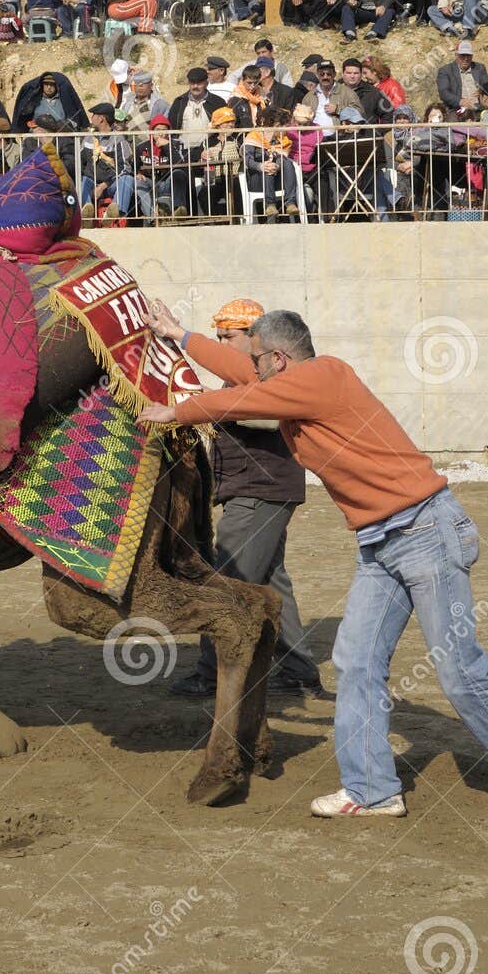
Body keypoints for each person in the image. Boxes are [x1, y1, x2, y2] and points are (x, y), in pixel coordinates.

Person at [141, 309, 488, 817]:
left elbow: (243, 395)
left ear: (280, 358)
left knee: (456, 666)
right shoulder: (294, 383)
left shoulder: (323, 376)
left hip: (425, 531)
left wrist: (177, 410)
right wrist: (179, 335)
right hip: (380, 542)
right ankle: (372, 790)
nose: (249, 366)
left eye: (256, 358)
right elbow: (241, 378)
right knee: (356, 662)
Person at [154, 298, 320, 696]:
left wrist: (201, 407)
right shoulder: (246, 380)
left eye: (229, 336)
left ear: (255, 339)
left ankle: (212, 674)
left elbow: (264, 415)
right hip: (263, 491)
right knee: (273, 582)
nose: (223, 343)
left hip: (259, 492)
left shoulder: (271, 382)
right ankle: (298, 670)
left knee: (227, 579)